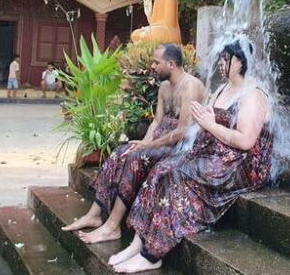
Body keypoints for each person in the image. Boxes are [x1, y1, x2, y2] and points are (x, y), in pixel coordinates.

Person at [110, 41, 273, 273]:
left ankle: (152, 253)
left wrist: (210, 124)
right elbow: (206, 125)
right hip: (218, 153)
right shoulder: (222, 90)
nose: (221, 63)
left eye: (226, 59)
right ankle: (138, 243)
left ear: (239, 62)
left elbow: (246, 142)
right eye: (221, 58)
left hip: (242, 164)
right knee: (162, 168)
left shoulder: (252, 95)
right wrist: (204, 124)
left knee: (177, 174)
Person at [61, 44, 206, 245]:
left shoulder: (190, 86)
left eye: (157, 62)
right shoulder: (164, 87)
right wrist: (145, 142)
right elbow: (156, 121)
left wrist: (149, 146)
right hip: (159, 142)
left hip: (181, 147)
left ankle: (112, 227)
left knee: (137, 158)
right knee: (122, 151)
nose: (152, 66)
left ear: (171, 64)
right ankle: (94, 214)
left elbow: (182, 131)